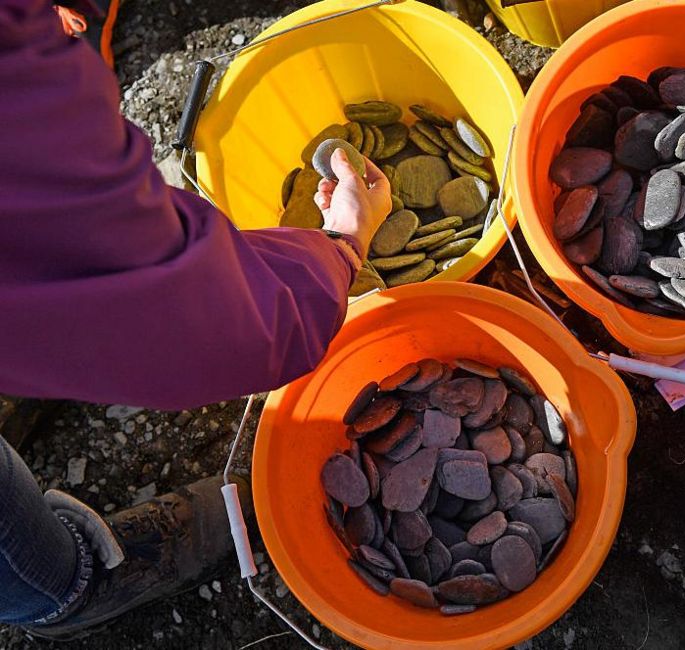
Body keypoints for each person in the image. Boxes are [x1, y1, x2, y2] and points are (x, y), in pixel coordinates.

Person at [0, 0, 391, 638]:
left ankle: (22, 361)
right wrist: (341, 247)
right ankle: (63, 588)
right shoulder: (14, 90)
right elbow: (181, 313)